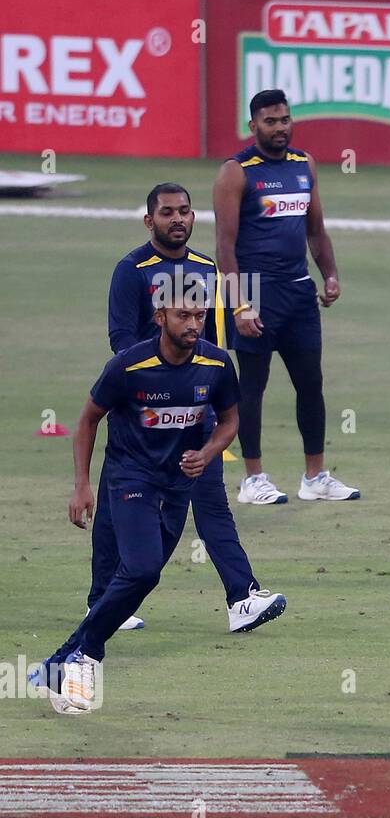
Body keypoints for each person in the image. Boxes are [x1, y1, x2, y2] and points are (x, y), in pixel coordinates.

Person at [31, 290, 243, 715]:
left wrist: (208, 452)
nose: (194, 325)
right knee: (143, 568)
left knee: (142, 577)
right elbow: (89, 418)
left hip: (176, 487)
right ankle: (87, 657)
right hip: (130, 479)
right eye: (184, 315)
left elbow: (232, 419)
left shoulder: (217, 364)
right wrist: (81, 486)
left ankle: (58, 662)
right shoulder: (129, 366)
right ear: (160, 316)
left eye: (200, 316)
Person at [92, 182, 285, 634]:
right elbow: (120, 341)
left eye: (184, 211)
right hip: (140, 412)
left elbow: (211, 338)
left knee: (212, 501)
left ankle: (242, 598)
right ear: (149, 221)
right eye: (166, 212)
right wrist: (159, 382)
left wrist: (208, 389)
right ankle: (100, 601)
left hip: (198, 411)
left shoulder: (205, 267)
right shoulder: (131, 270)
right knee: (112, 506)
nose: (177, 219)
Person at [213, 88, 359, 505]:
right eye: (270, 121)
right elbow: (225, 246)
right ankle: (253, 479)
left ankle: (315, 476)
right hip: (256, 293)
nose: (280, 128)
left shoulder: (303, 166)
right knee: (253, 387)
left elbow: (315, 230)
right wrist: (239, 304)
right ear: (253, 125)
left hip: (298, 293)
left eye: (284, 120)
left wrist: (329, 275)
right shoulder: (236, 172)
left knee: (311, 383)